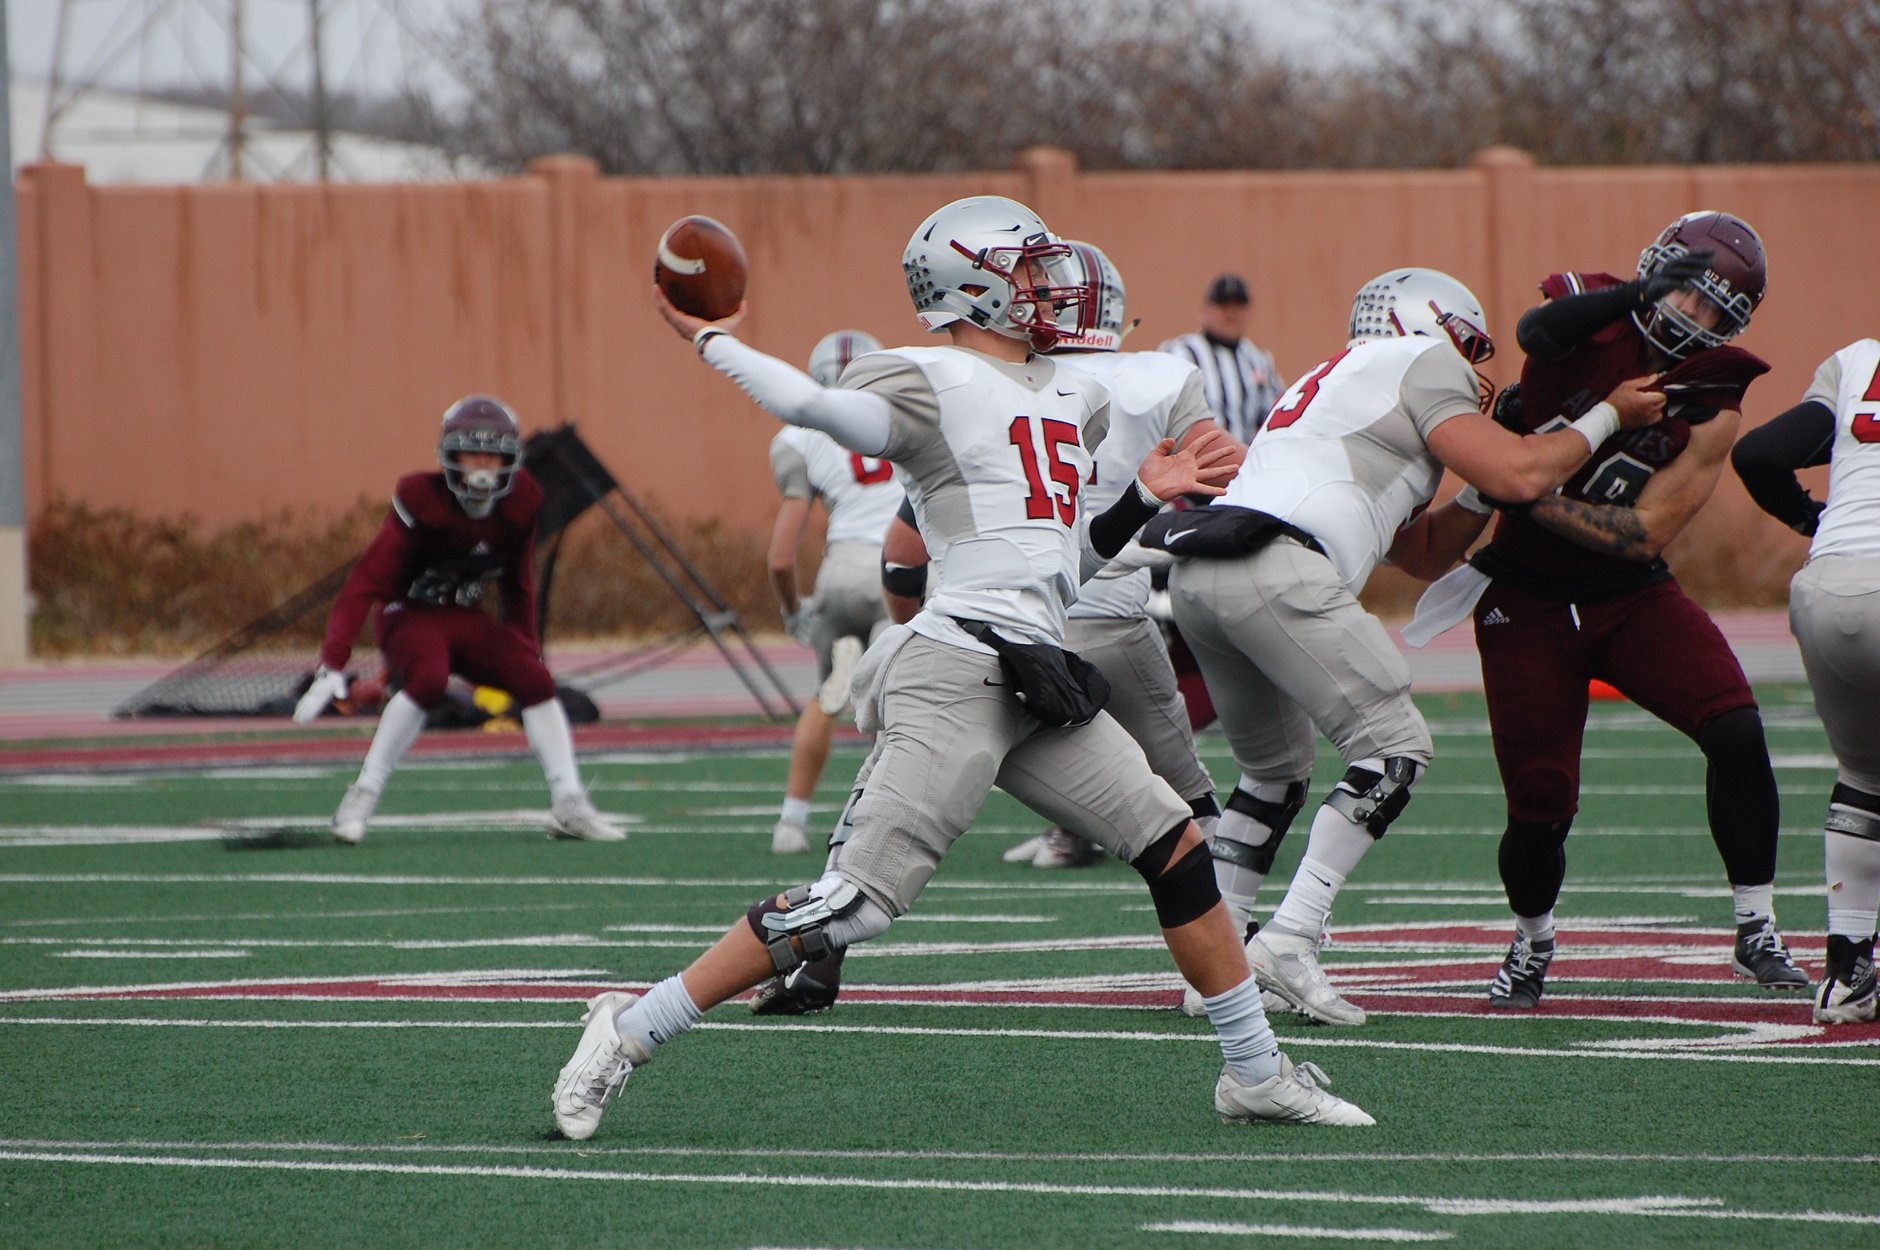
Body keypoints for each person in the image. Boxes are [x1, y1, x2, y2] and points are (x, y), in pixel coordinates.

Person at [549, 195, 1376, 1138]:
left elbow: (1058, 568)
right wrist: (712, 338)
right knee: (852, 907)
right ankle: (631, 1026)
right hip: (955, 668)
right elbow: (810, 406)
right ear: (974, 284)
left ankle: (1255, 1074)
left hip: (1037, 666)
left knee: (1177, 847)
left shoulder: (1072, 395)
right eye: (1030, 269)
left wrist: (1143, 498)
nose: (1052, 286)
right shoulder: (925, 375)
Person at [1161, 267, 1663, 1026]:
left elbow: (1422, 551)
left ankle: (1214, 970)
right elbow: (1523, 474)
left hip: (1206, 571)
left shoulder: (1340, 381)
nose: (1474, 367)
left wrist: (1480, 487)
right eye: (1468, 344)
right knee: (1393, 748)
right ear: (1429, 325)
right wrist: (1607, 415)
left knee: (1271, 772)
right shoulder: (1415, 360)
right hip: (1276, 566)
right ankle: (1290, 940)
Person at [1408, 210, 1805, 1008]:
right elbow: (1536, 331)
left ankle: (1757, 928)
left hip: (1630, 595)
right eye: (1685, 293)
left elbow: (1645, 533)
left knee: (1735, 727)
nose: (1692, 316)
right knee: (1540, 804)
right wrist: (1632, 297)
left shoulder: (1715, 395)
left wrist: (1525, 490)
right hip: (1525, 597)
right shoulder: (1589, 312)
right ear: (1654, 272)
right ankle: (1532, 941)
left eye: (1714, 308)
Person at [293, 396, 624, 844]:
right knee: (428, 679)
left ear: (510, 459)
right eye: (472, 453)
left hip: (465, 616)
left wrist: (525, 648)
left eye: (492, 454)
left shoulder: (522, 500)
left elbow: (519, 583)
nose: (482, 465)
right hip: (408, 612)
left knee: (535, 680)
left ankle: (569, 801)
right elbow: (364, 582)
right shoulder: (421, 497)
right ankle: (363, 794)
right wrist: (333, 661)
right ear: (450, 455)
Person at [1731, 338, 1880, 1023]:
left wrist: (1817, 524)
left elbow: (1759, 454)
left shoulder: (1858, 359)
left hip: (1828, 585)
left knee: (1865, 777)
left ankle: (1847, 976)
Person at [766, 329, 903, 855]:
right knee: (894, 709)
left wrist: (791, 609)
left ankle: (791, 822)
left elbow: (781, 557)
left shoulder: (799, 437)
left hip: (841, 576)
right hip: (897, 574)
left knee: (830, 694)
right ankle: (878, 826)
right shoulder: (908, 421)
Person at [1159, 273, 1287, 443]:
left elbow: (1277, 411)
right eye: (1223, 305)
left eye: (1238, 306)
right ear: (1205, 309)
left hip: (1245, 457)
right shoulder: (1181, 353)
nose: (1231, 314)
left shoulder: (1258, 359)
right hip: (1196, 456)